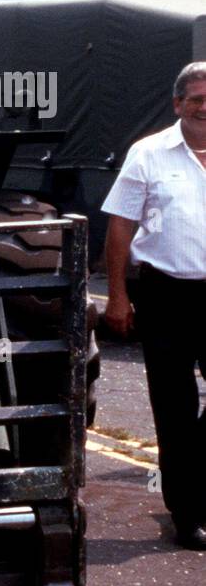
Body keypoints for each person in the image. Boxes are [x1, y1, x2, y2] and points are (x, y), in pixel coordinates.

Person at [103, 61, 206, 549]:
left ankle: (193, 472)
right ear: (178, 104)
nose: (205, 107)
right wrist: (118, 296)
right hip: (165, 293)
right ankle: (187, 514)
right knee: (175, 406)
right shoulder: (147, 155)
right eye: (197, 99)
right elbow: (120, 227)